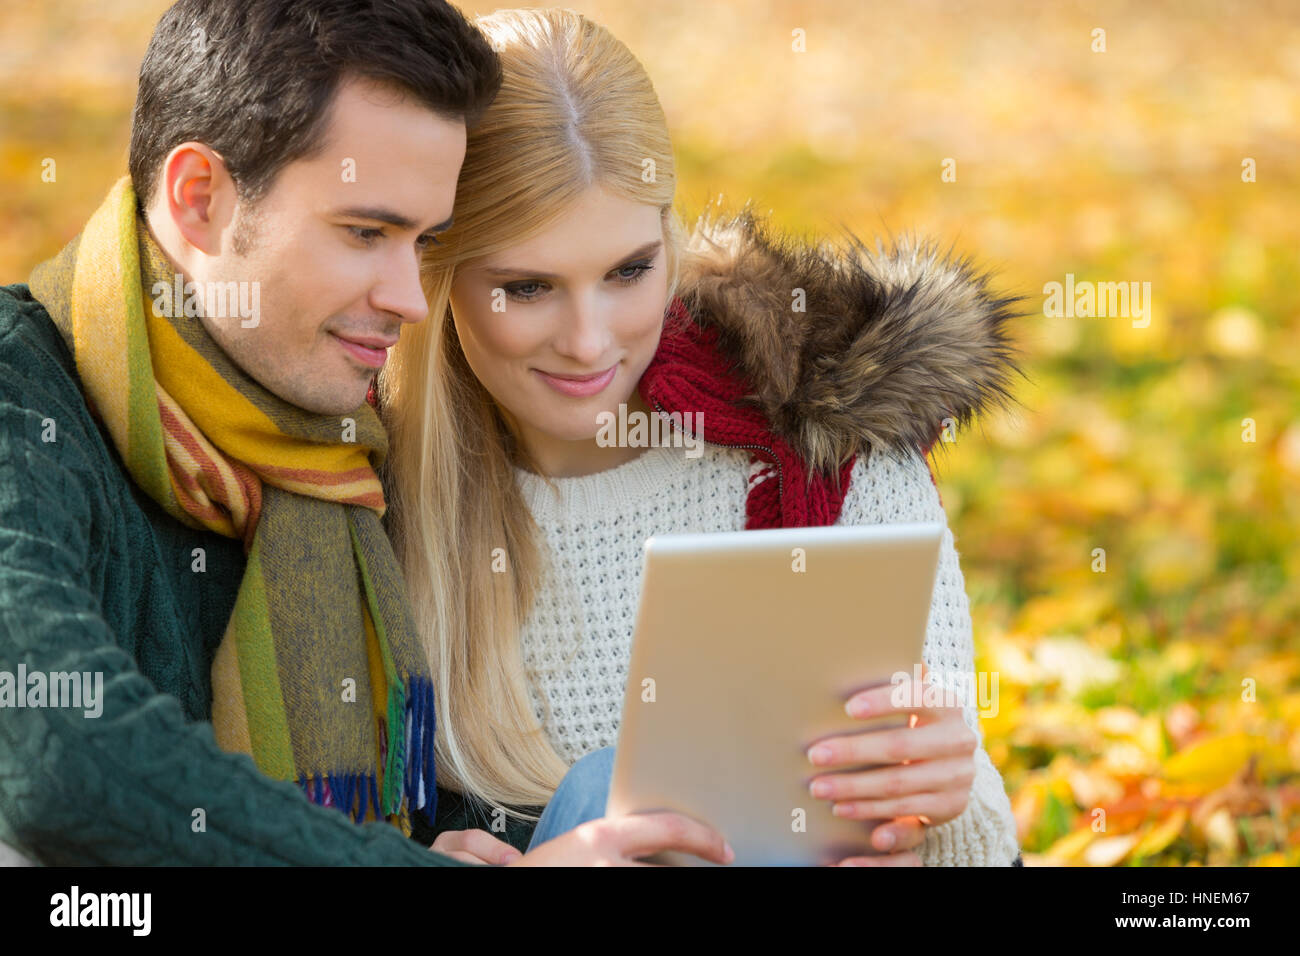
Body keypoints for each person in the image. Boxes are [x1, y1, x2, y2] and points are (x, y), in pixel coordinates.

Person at [0, 0, 732, 869]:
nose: (411, 300)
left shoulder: (340, 448)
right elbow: (58, 756)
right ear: (201, 200)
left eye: (423, 242)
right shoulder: (24, 399)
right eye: (364, 233)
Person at [381, 7, 1030, 865]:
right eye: (528, 287)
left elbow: (973, 843)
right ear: (441, 272)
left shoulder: (821, 445)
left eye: (629, 271)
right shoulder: (371, 487)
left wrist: (949, 800)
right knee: (592, 793)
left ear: (669, 240)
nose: (589, 340)